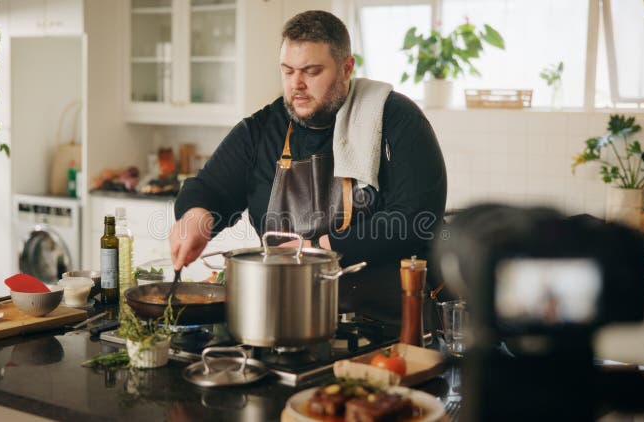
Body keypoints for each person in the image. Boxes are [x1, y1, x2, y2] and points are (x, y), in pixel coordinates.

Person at [170, 10, 446, 323]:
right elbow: (209, 189)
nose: (296, 84)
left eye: (311, 71)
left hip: (390, 322)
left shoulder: (396, 119)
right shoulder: (261, 132)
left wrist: (315, 249)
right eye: (287, 71)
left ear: (346, 68)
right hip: (289, 319)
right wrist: (196, 216)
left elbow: (414, 221)